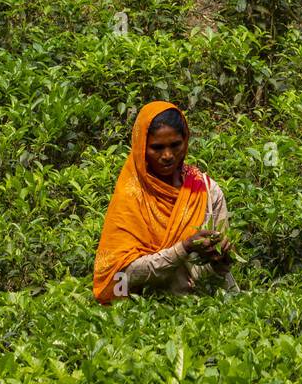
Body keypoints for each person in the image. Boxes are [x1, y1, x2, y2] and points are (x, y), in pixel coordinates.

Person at [92, 101, 237, 303]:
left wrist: (222, 254)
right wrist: (184, 248)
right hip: (151, 311)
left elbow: (222, 269)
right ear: (142, 147)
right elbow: (119, 276)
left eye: (175, 145)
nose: (167, 156)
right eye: (157, 148)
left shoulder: (207, 190)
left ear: (185, 142)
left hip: (210, 306)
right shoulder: (131, 196)